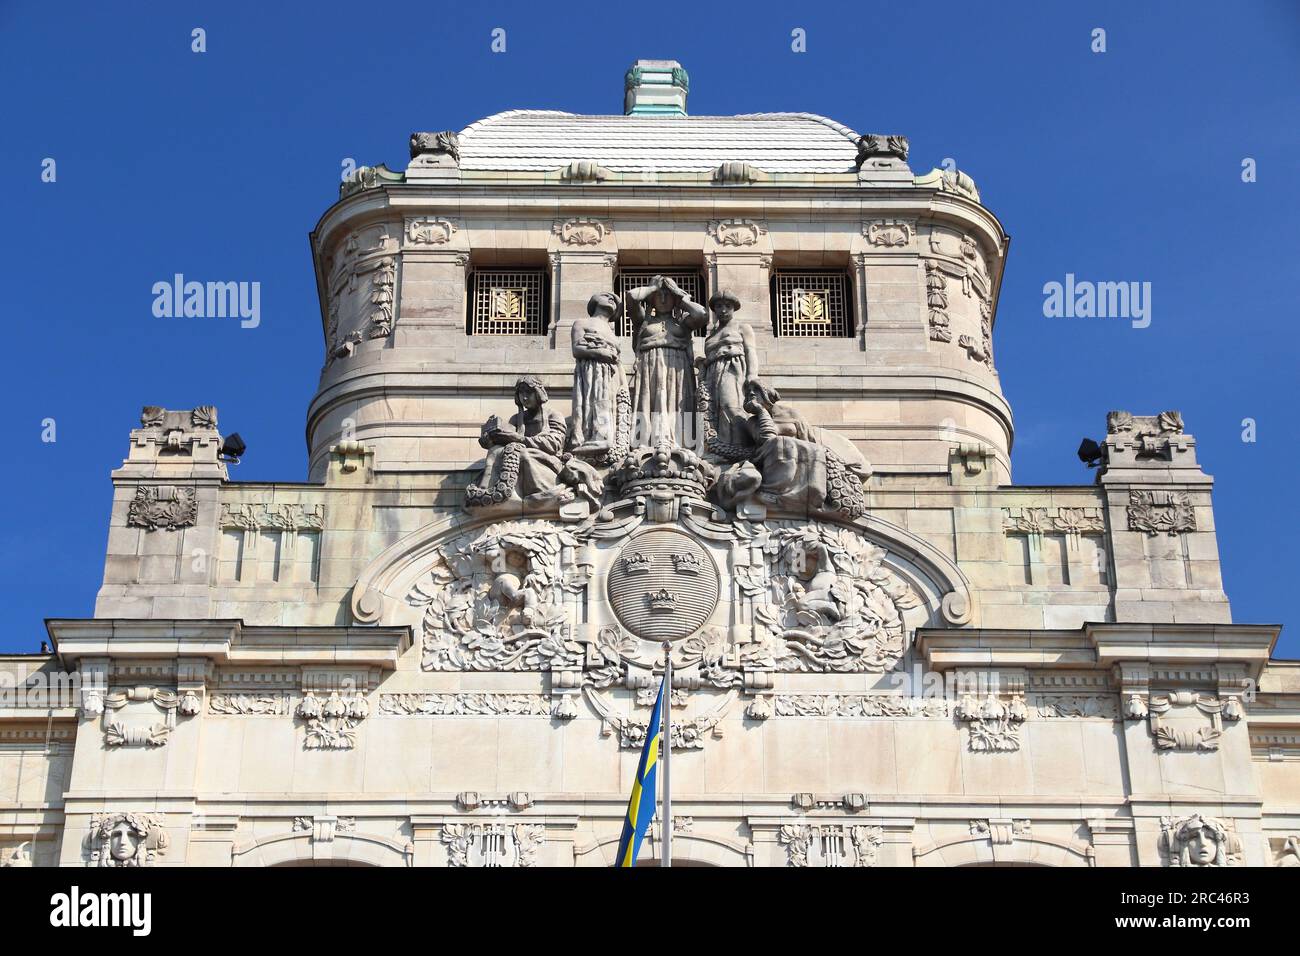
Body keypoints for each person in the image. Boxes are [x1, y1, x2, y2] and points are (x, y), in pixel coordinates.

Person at [626, 275, 706, 446]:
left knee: (677, 403)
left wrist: (681, 299)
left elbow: (701, 315)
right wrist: (654, 287)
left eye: (667, 295)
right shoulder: (642, 321)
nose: (663, 299)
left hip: (678, 367)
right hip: (650, 365)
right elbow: (631, 297)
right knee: (652, 401)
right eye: (659, 295)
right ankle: (647, 441)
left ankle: (681, 443)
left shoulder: (683, 322)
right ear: (652, 298)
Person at [466, 376, 570, 508]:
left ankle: (535, 494)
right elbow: (507, 437)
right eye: (521, 393)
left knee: (524, 455)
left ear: (538, 393)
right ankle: (485, 489)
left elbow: (554, 444)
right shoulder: (516, 419)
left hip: (548, 460)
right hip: (520, 453)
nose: (524, 397)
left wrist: (519, 439)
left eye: (528, 392)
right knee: (495, 450)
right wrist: (491, 439)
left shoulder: (553, 415)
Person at [700, 289, 759, 452]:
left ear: (734, 307)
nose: (723, 310)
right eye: (719, 306)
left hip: (732, 369)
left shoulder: (742, 327)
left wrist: (752, 375)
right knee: (716, 410)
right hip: (712, 372)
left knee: (730, 406)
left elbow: (750, 351)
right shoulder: (712, 333)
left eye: (727, 306)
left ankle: (741, 448)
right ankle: (724, 448)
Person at [569, 292, 627, 456]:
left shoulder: (610, 331)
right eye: (606, 296)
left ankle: (606, 435)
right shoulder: (582, 322)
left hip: (611, 372)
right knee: (593, 401)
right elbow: (577, 349)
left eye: (615, 301)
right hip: (592, 369)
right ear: (594, 301)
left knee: (609, 403)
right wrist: (600, 352)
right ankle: (592, 436)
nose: (612, 300)